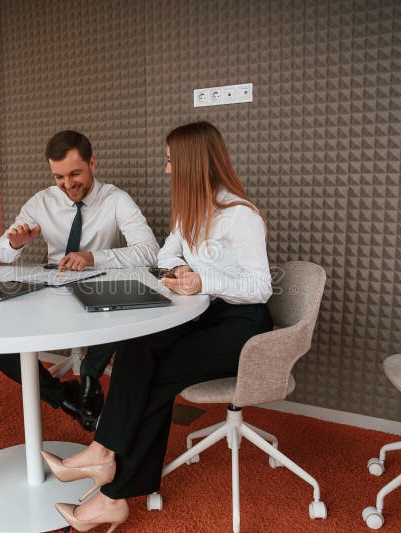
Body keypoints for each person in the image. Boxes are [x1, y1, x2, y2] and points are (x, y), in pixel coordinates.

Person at [41, 121, 273, 530]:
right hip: (202, 313)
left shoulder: (240, 215)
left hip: (242, 325)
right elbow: (165, 255)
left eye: (170, 162)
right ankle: (104, 454)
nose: (167, 171)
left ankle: (112, 489)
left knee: (157, 376)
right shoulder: (191, 211)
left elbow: (261, 287)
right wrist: (182, 268)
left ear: (191, 164)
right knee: (138, 344)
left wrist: (204, 280)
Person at [0, 130, 159, 430]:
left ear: (93, 162)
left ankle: (91, 371)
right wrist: (15, 243)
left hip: (100, 284)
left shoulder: (116, 200)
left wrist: (94, 257)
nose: (67, 185)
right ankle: (64, 397)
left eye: (75, 174)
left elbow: (149, 252)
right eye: (58, 177)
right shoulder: (41, 202)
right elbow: (2, 252)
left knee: (131, 306)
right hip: (51, 286)